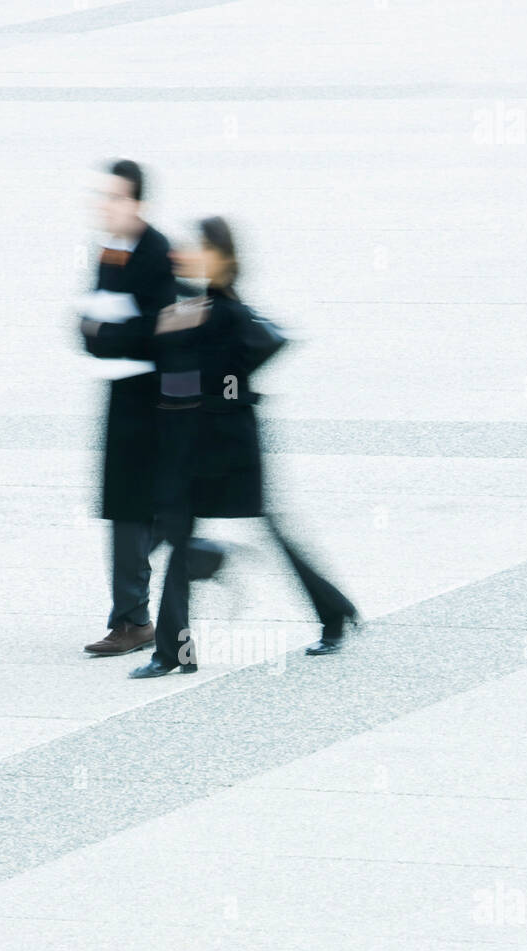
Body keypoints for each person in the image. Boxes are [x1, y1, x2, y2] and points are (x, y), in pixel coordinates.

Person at [129, 216, 358, 679]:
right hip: (200, 446)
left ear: (221, 256)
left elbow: (243, 365)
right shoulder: (201, 307)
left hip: (230, 449)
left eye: (200, 247)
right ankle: (176, 652)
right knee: (181, 535)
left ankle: (334, 613)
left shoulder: (225, 313)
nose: (191, 252)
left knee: (268, 532)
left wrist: (223, 396)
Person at [79, 159, 176, 657]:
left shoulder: (160, 255)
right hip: (122, 394)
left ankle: (133, 620)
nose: (106, 205)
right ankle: (133, 616)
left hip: (157, 400)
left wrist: (109, 334)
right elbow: (87, 326)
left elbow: (162, 330)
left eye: (116, 197)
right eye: (104, 195)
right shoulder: (109, 252)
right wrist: (103, 334)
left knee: (133, 511)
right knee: (127, 510)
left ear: (137, 203)